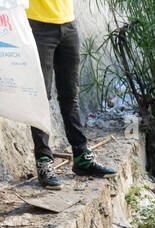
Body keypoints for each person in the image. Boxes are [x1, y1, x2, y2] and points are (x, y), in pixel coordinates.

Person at [26, 0, 115, 188]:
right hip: (37, 24)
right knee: (40, 97)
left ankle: (82, 157)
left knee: (70, 95)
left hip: (68, 22)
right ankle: (44, 161)